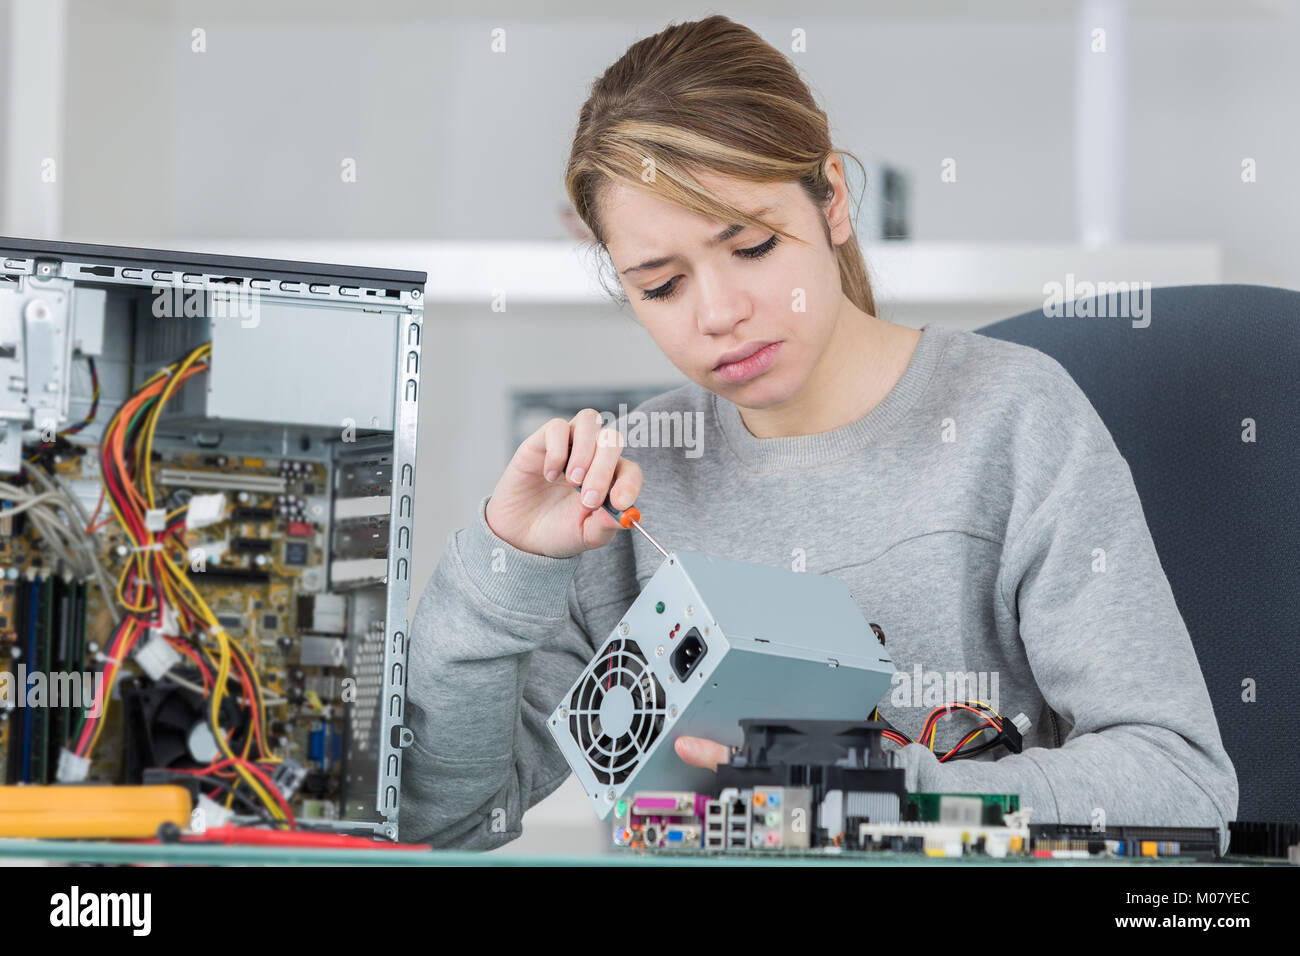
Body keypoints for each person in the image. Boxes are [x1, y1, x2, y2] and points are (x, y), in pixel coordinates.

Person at [399, 14, 1237, 853]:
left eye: (755, 246)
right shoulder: (628, 488)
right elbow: (445, 818)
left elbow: (1181, 783)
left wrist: (863, 790)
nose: (719, 314)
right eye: (660, 287)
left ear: (832, 198)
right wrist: (509, 560)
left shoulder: (1013, 421)